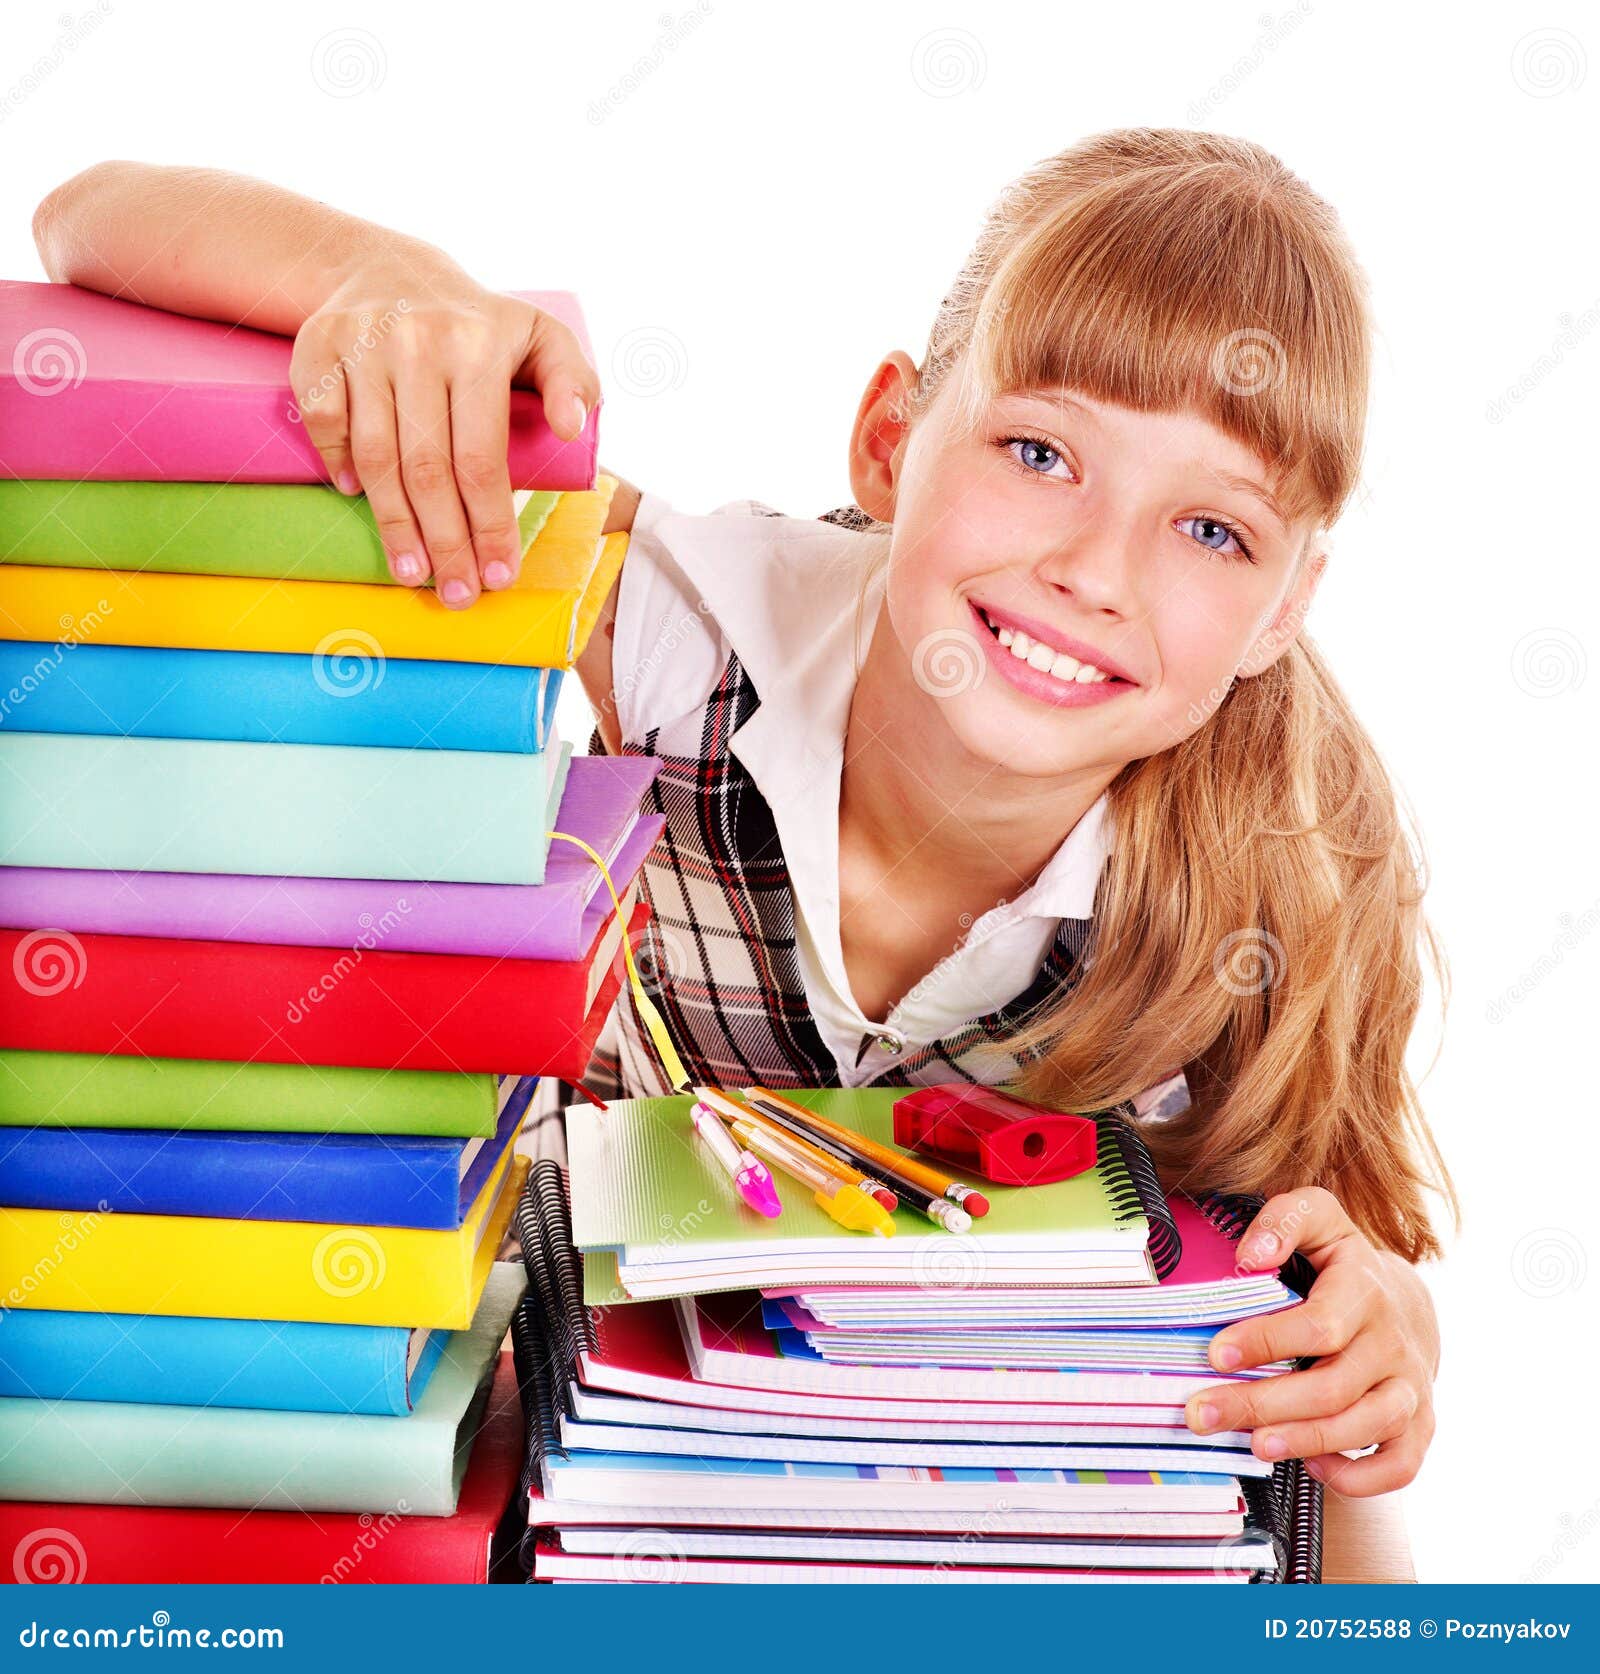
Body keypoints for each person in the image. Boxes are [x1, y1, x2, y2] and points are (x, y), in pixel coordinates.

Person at [33, 127, 1452, 1494]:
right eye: (1040, 452)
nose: (1097, 569)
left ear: (1284, 606)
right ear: (890, 441)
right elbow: (87, 217)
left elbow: (1331, 1279)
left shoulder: (1287, 873)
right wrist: (376, 276)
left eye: (1212, 530)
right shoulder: (689, 629)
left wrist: (1385, 1330)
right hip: (610, 1477)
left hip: (982, 1512)